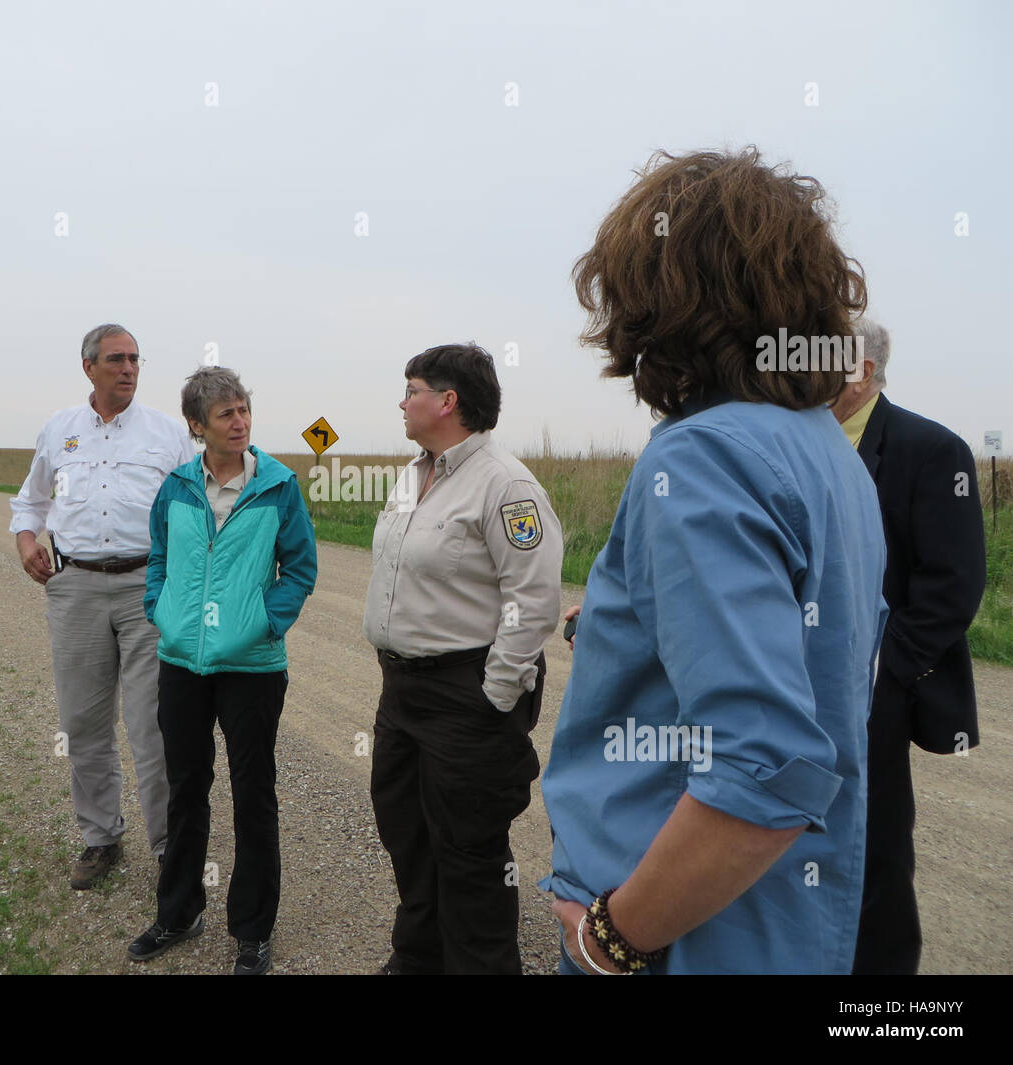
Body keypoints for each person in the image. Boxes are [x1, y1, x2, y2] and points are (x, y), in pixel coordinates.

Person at [542, 148, 889, 974]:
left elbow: (764, 766)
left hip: (685, 939)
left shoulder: (701, 458)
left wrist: (610, 939)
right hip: (785, 925)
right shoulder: (826, 452)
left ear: (656, 297)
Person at [363, 342, 562, 975]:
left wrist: (494, 697)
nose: (402, 400)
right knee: (407, 832)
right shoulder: (410, 473)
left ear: (447, 401)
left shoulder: (505, 484)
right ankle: (419, 957)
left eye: (412, 388)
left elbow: (532, 601)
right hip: (402, 691)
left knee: (471, 852)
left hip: (465, 694)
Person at [127, 367, 317, 975]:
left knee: (253, 794)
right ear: (196, 427)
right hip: (182, 662)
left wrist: (264, 621)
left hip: (253, 667)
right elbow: (157, 558)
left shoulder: (280, 486)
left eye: (244, 411)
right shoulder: (178, 486)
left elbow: (302, 569)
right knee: (185, 790)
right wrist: (161, 612)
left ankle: (253, 931)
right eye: (225, 415)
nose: (239, 423)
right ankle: (178, 912)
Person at [9, 323, 193, 889]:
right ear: (87, 366)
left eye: (135, 359)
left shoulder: (166, 435)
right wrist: (25, 542)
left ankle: (169, 847)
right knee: (83, 723)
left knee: (153, 725)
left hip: (148, 592)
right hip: (75, 589)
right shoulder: (58, 431)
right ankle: (100, 838)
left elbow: (197, 509)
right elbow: (30, 501)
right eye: (116, 359)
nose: (128, 369)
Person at [832, 320, 986, 975]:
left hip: (874, 693)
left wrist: (885, 674)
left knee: (874, 849)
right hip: (795, 683)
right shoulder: (798, 446)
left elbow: (954, 582)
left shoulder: (932, 449)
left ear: (861, 370)